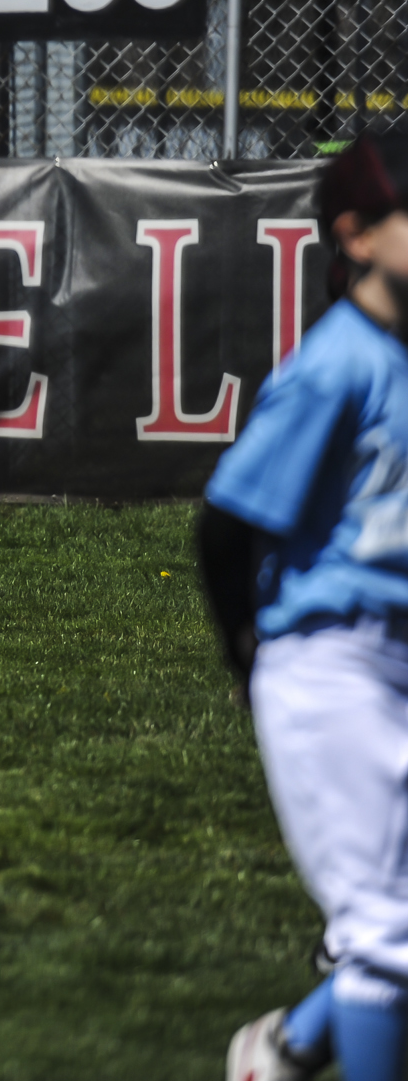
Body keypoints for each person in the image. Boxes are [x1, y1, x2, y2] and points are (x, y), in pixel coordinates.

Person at [202, 134, 408, 1081]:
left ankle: (284, 1050)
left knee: (392, 927)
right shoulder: (337, 365)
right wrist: (249, 657)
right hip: (333, 660)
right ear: (357, 236)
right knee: (387, 936)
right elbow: (226, 526)